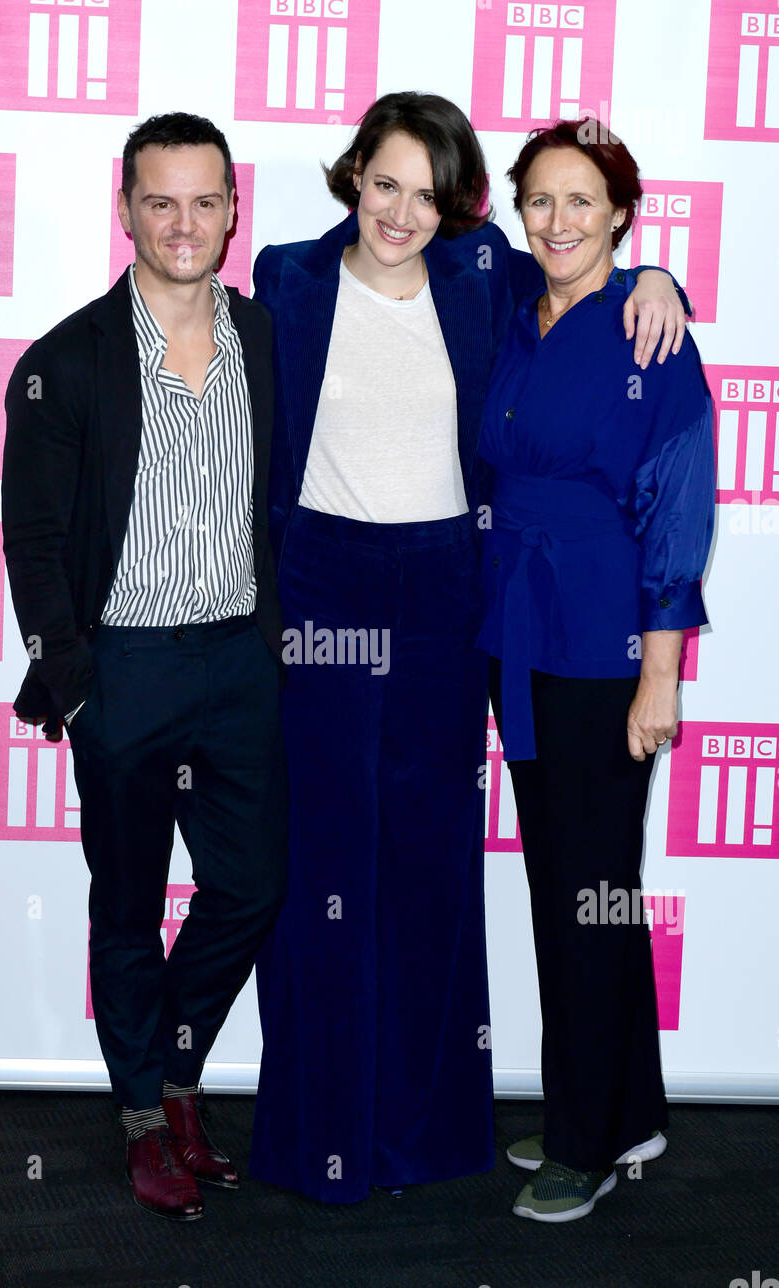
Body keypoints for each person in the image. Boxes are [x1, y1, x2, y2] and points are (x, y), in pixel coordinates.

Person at [249, 91, 687, 1205]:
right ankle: (324, 1129)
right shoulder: (287, 279)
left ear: (457, 205)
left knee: (442, 868)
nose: (402, 211)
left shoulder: (479, 274)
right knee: (323, 867)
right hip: (330, 590)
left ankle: (436, 1131)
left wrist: (660, 279)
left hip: (457, 597)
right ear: (353, 175)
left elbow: (590, 277)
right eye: (384, 183)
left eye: (428, 192)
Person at [0, 112, 288, 1222]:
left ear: (232, 210)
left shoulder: (264, 337)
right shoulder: (64, 361)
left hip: (240, 664)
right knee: (126, 907)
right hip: (124, 671)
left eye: (204, 200)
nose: (183, 223)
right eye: (159, 201)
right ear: (125, 210)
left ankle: (172, 1078)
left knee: (251, 886)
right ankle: (142, 1119)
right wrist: (77, 686)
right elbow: (32, 542)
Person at [476, 118, 715, 1222]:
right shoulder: (512, 307)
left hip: (606, 644)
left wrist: (660, 673)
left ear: (621, 214)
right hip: (517, 635)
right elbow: (400, 238)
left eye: (583, 201)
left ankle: (585, 1142)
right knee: (574, 884)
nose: (559, 220)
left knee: (590, 891)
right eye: (540, 200)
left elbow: (679, 507)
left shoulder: (648, 331)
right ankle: (626, 1106)